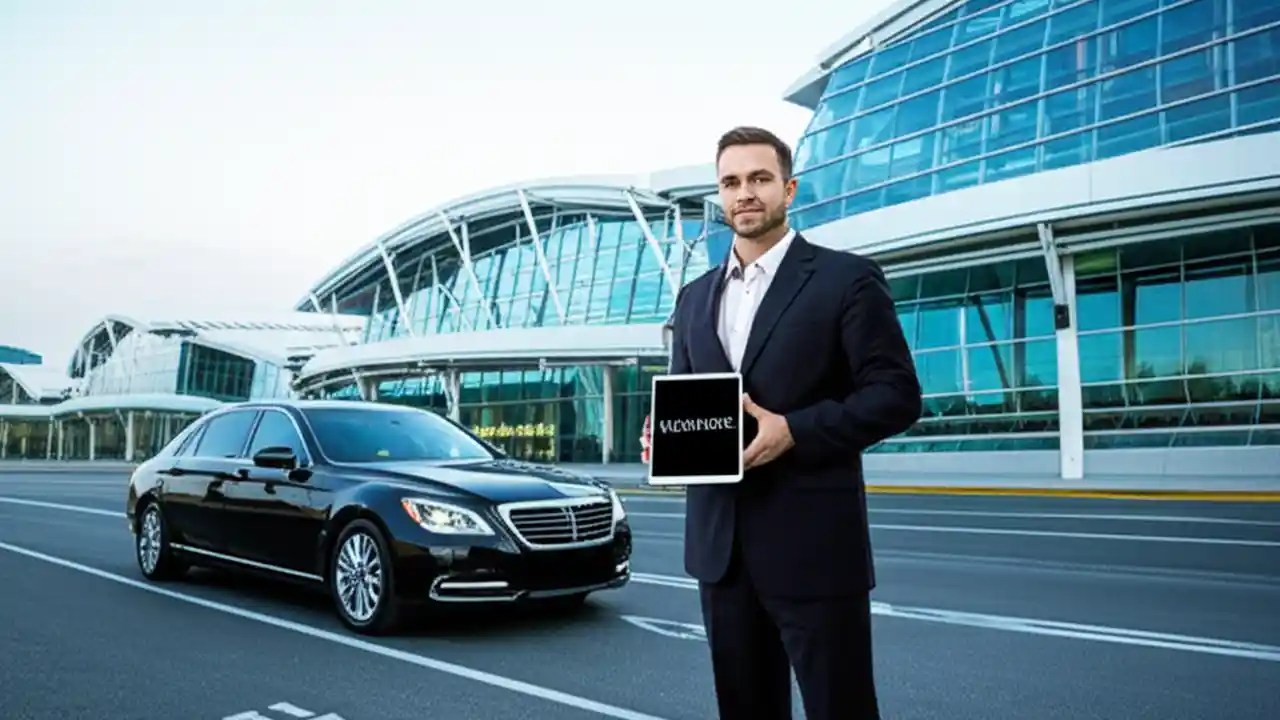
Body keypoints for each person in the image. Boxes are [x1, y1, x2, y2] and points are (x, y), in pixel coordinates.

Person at [641, 126, 922, 719]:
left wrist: (795, 429)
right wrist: (662, 434)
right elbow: (694, 395)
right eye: (731, 182)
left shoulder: (846, 279)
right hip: (721, 552)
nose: (745, 193)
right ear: (719, 196)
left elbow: (896, 394)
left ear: (788, 189)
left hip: (814, 548)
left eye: (760, 179)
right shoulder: (693, 298)